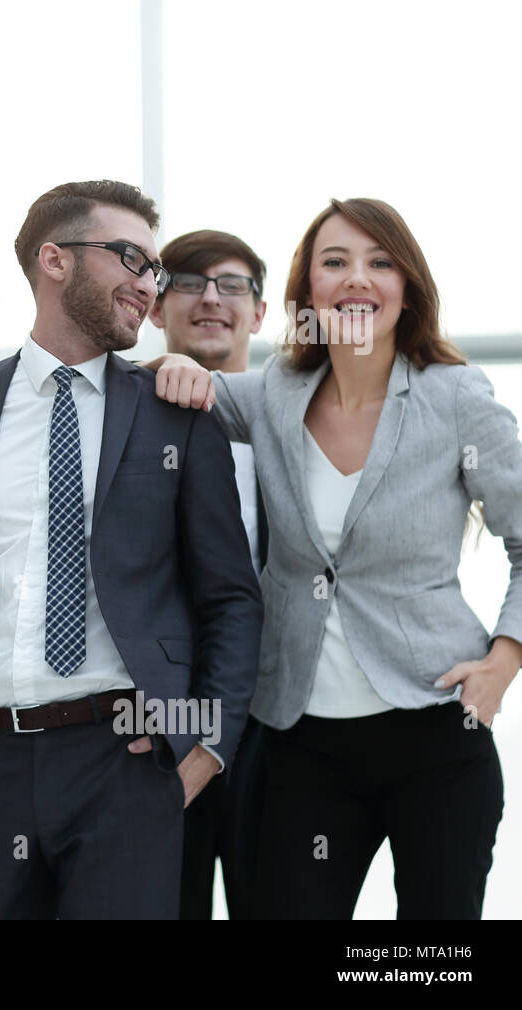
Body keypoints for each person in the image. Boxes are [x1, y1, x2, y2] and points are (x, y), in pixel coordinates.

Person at [154, 197, 521, 919]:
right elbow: (169, 388)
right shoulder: (270, 398)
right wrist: (174, 366)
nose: (358, 278)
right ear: (308, 293)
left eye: (379, 262)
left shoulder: (456, 399)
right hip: (300, 745)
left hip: (435, 731)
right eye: (335, 262)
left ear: (406, 286)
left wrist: (505, 658)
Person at [0, 181, 263, 919]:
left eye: (154, 270)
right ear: (55, 261)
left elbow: (230, 596)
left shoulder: (177, 413)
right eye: (131, 258)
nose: (148, 285)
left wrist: (205, 746)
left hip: (125, 763)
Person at [148, 229, 269, 920]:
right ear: (155, 306)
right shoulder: (125, 419)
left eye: (231, 285)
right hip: (159, 727)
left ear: (259, 312)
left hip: (283, 728)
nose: (210, 299)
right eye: (188, 283)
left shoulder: (299, 418)